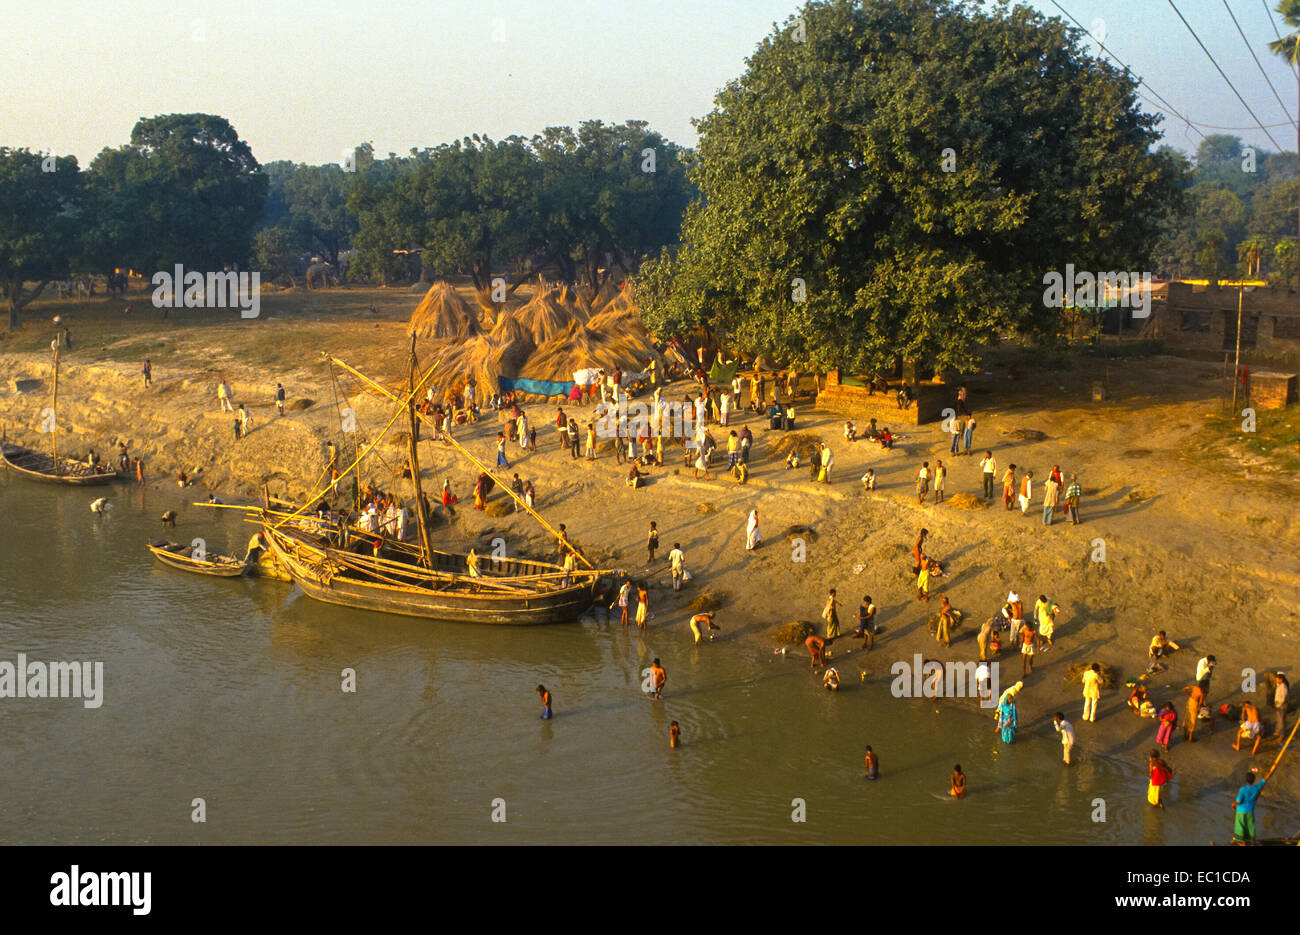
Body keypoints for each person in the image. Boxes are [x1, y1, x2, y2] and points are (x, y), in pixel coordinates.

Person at [1233, 770, 1266, 843]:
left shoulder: (1242, 789)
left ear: (1246, 780)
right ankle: (1251, 842)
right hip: (1250, 812)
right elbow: (1265, 779)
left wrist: (1233, 805)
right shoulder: (1257, 787)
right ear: (1254, 780)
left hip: (1241, 811)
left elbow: (1238, 801)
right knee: (1250, 827)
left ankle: (1241, 842)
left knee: (1240, 827)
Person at [1273, 673, 1290, 738]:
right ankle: (1278, 731)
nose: (1276, 680)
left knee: (1281, 720)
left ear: (1281, 680)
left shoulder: (1283, 688)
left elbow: (1283, 699)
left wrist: (1278, 704)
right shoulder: (1279, 685)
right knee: (1279, 719)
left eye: (1277, 679)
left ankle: (1282, 735)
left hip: (1281, 705)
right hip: (1278, 705)